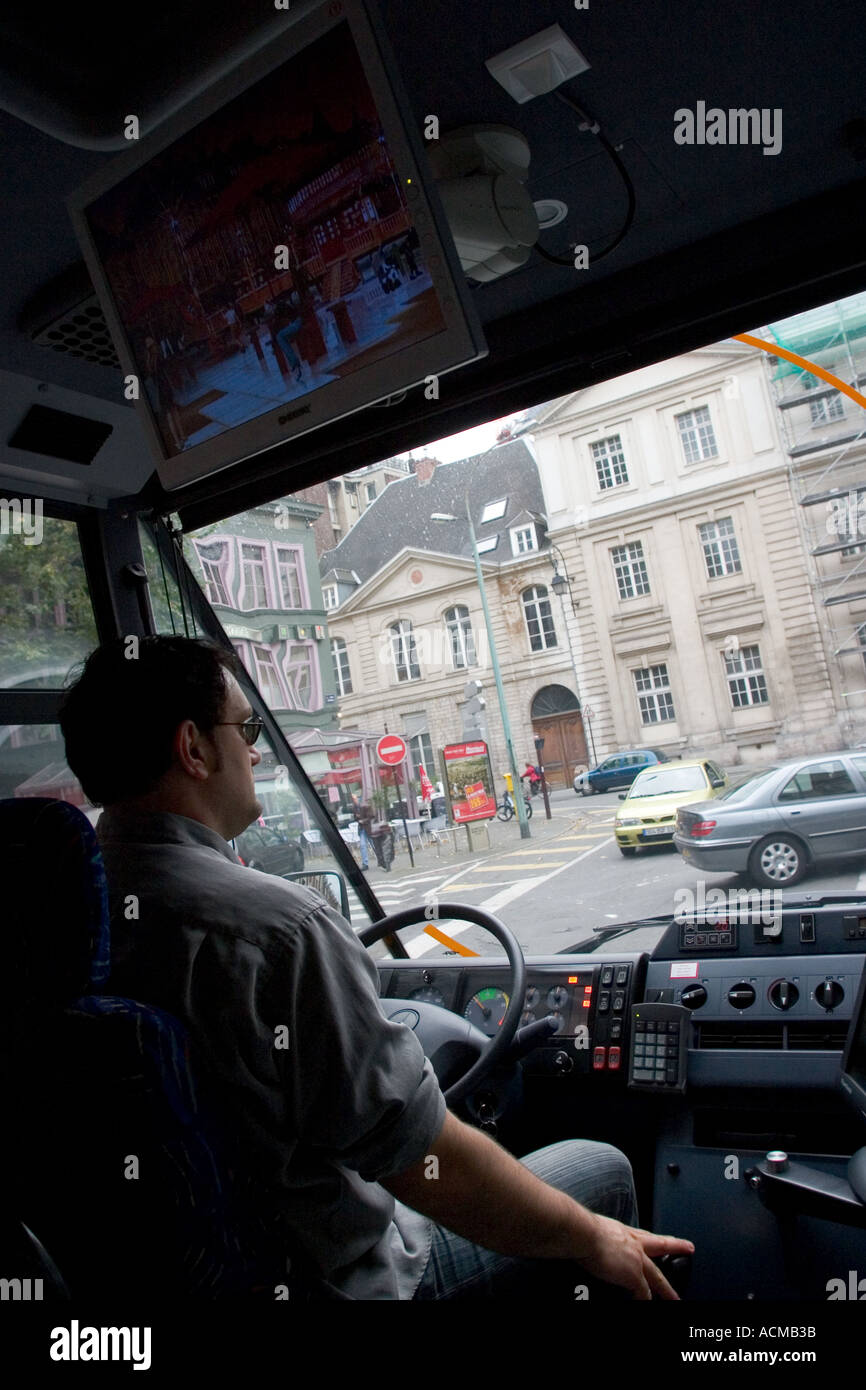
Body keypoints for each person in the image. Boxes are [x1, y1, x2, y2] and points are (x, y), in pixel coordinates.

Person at [58, 636, 693, 1300]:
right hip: (332, 1280)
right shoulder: (278, 930)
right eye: (245, 728)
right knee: (603, 1173)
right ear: (193, 749)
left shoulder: (60, 918)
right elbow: (426, 1161)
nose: (253, 750)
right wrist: (594, 1238)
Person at [351, 794, 372, 871]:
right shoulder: (354, 807)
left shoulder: (365, 806)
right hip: (362, 829)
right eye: (353, 799)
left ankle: (382, 860)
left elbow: (370, 816)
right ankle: (365, 864)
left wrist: (363, 820)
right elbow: (355, 818)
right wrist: (357, 817)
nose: (354, 800)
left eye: (355, 799)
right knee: (363, 845)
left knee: (374, 845)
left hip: (368, 828)